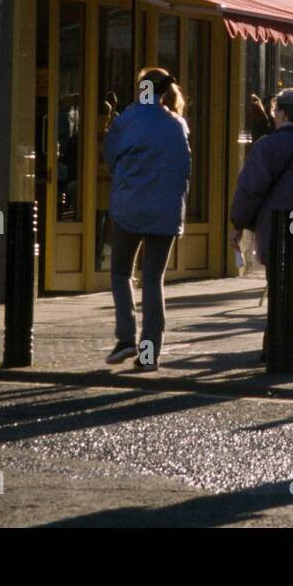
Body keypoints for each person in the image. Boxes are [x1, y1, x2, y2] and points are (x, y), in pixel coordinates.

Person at [230, 88, 293, 362]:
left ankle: (287, 343)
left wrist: (238, 223)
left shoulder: (266, 146)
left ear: (283, 113)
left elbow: (250, 189)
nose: (273, 115)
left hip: (273, 228)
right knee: (283, 284)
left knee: (277, 283)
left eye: (275, 111)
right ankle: (284, 341)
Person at [103, 68, 192, 371]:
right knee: (153, 280)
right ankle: (150, 352)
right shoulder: (178, 124)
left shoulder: (125, 120)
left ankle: (126, 336)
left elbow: (111, 159)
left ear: (141, 88)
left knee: (120, 271)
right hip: (165, 211)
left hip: (130, 207)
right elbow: (185, 169)